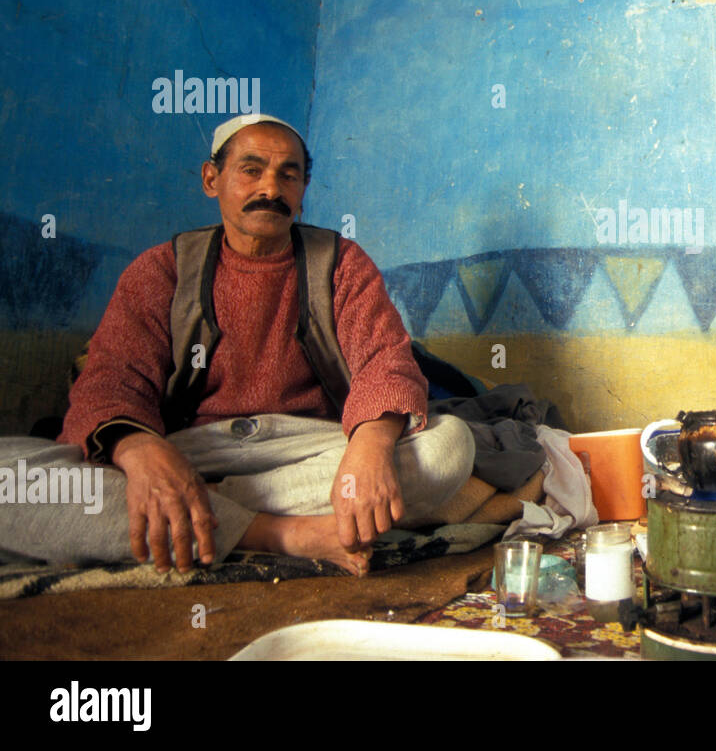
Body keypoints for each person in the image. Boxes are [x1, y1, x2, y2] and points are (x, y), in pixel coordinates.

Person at [1, 115, 473, 576]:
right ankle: (282, 534)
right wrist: (142, 453)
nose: (271, 188)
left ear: (303, 192)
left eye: (289, 175)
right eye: (252, 170)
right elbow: (109, 381)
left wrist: (369, 450)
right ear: (212, 179)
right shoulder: (161, 269)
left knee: (448, 447)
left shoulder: (341, 263)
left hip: (307, 449)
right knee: (11, 484)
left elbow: (385, 362)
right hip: (187, 448)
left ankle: (193, 513)